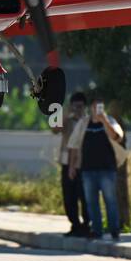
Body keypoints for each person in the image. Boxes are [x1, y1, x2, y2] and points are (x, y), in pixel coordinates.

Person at [67, 97, 127, 240]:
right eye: (95, 107)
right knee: (91, 202)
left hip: (107, 169)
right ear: (91, 108)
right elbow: (74, 145)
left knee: (110, 200)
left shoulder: (110, 121)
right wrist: (72, 166)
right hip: (87, 169)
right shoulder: (83, 123)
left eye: (100, 107)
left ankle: (114, 230)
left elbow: (117, 137)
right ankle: (97, 230)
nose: (97, 110)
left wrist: (104, 120)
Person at [52, 92, 89, 236]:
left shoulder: (88, 121)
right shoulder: (67, 120)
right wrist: (66, 113)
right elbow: (55, 129)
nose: (78, 109)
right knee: (69, 195)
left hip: (84, 163)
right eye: (75, 106)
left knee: (85, 196)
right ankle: (75, 224)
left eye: (80, 106)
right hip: (67, 162)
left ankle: (87, 224)